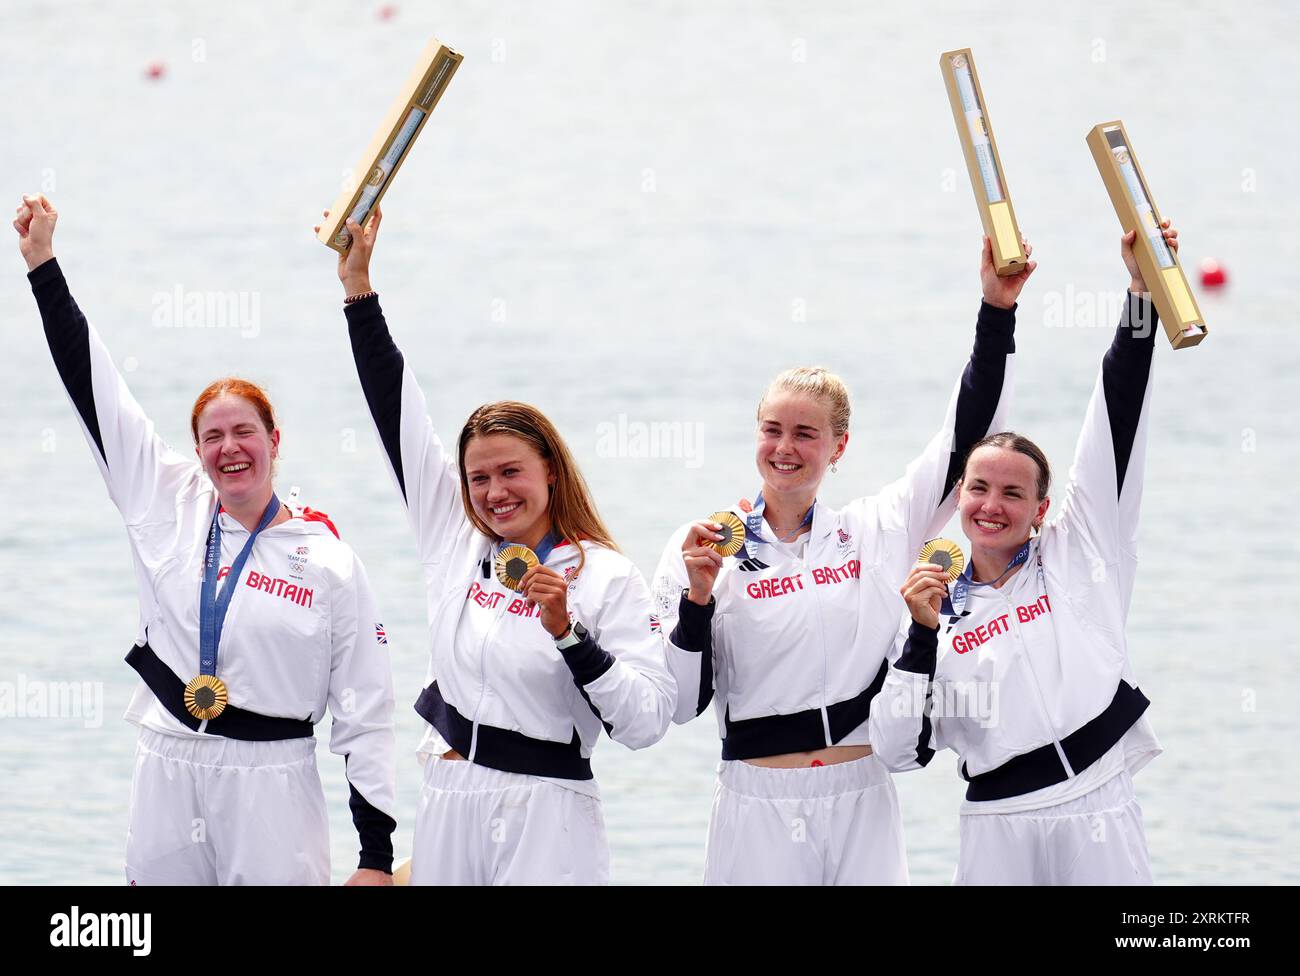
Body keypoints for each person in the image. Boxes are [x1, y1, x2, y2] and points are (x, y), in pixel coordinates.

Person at [16, 194, 397, 885]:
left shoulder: (330, 561)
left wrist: (374, 856)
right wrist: (42, 264)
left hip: (273, 781)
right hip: (167, 759)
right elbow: (95, 389)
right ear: (194, 451)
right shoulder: (164, 498)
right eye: (213, 436)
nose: (229, 448)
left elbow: (366, 712)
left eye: (244, 431)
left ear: (274, 442)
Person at [652, 235, 1034, 884]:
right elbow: (681, 703)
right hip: (756, 801)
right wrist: (696, 599)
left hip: (863, 793)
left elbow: (963, 435)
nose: (785, 448)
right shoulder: (704, 547)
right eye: (772, 429)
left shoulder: (878, 528)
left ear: (839, 446)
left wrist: (996, 310)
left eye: (806, 433)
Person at [319, 206, 676, 885]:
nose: (494, 492)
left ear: (549, 470)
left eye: (511, 472)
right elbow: (398, 414)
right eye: (478, 478)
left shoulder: (604, 576)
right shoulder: (454, 537)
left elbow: (647, 721)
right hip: (450, 797)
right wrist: (359, 290)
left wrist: (571, 634)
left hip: (548, 809)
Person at [869, 223, 1180, 885]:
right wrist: (921, 638)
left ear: (1042, 509)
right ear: (960, 496)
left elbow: (1116, 417)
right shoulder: (927, 606)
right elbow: (897, 751)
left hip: (1097, 804)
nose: (992, 505)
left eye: (1014, 493)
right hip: (996, 827)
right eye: (978, 488)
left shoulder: (1082, 553)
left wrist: (1140, 292)